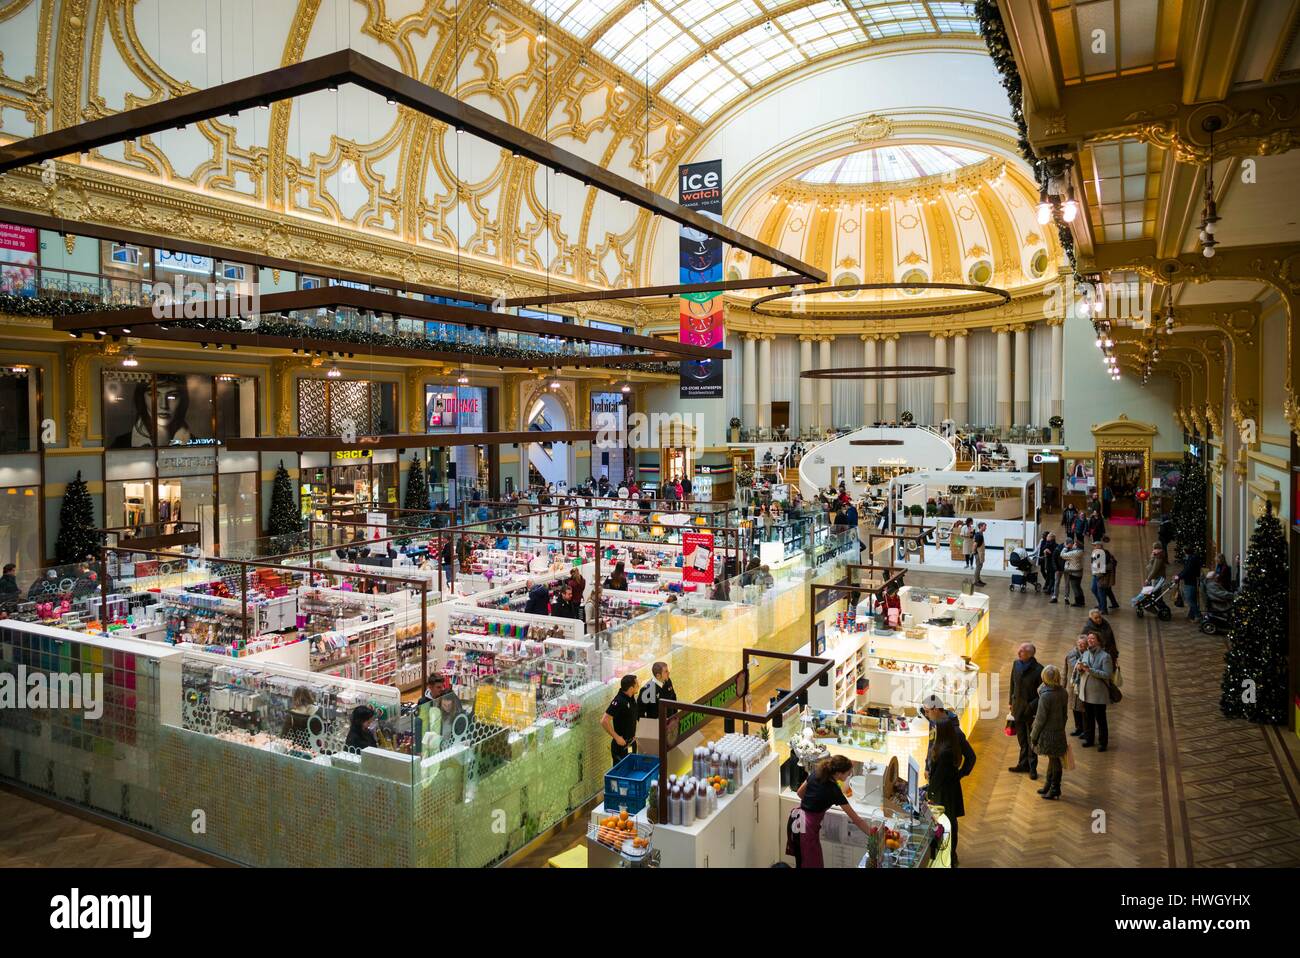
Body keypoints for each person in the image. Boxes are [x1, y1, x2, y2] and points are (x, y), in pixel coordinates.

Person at [922, 696, 976, 866]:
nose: (925, 714)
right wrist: (927, 766)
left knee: (949, 821)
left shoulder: (954, 732)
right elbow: (931, 747)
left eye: (927, 711)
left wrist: (959, 775)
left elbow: (971, 757)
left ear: (937, 709)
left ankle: (950, 857)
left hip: (945, 788)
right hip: (939, 782)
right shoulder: (936, 724)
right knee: (943, 822)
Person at [792, 754, 872, 868]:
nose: (850, 774)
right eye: (848, 772)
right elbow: (856, 820)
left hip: (798, 820)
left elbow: (800, 793)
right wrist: (873, 835)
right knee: (812, 864)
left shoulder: (817, 773)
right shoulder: (834, 791)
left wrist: (812, 802)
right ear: (839, 773)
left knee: (803, 860)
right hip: (808, 828)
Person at [1030, 665, 1069, 800]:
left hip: (1048, 734)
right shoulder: (1063, 692)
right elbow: (1065, 715)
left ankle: (1054, 788)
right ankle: (1049, 784)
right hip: (1059, 732)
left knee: (1055, 760)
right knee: (1053, 759)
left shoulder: (1046, 696)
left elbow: (1040, 720)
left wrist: (1033, 736)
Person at [1008, 642, 1044, 780]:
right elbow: (1013, 684)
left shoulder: (1039, 669)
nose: (1018, 653)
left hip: (1030, 711)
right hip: (1017, 708)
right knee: (1022, 739)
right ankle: (1023, 764)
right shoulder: (1016, 664)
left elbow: (1041, 693)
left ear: (1029, 654)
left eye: (1022, 651)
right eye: (1019, 650)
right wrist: (1011, 701)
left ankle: (1032, 767)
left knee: (1031, 740)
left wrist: (1030, 707)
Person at [1073, 631, 1114, 751]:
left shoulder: (1105, 656)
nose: (1089, 640)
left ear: (1099, 641)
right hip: (1086, 692)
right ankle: (1089, 739)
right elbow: (1083, 670)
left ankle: (1103, 743)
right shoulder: (1085, 653)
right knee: (1088, 718)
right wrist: (1081, 669)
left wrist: (1089, 670)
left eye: (1092, 638)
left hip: (1098, 694)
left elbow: (1107, 674)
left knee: (1100, 719)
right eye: (1089, 638)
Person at [602, 674, 640, 765]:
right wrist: (617, 737)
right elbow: (604, 721)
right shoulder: (619, 701)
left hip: (631, 743)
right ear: (631, 688)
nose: (639, 686)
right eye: (637, 684)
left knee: (632, 769)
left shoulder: (631, 698)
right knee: (622, 774)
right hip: (621, 746)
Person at [281, 686, 319, 751]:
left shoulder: (291, 716)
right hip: (313, 748)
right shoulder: (317, 713)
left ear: (295, 698)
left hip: (297, 747)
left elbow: (283, 735)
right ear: (309, 696)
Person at [1064, 635, 1088, 737]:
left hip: (1084, 686)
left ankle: (1085, 730)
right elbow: (1064, 671)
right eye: (1079, 644)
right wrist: (1062, 686)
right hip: (1073, 686)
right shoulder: (1070, 655)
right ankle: (1078, 728)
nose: (1081, 645)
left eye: (1083, 644)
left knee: (1083, 709)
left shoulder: (1088, 656)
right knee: (1074, 708)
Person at [1175, 547, 1203, 621]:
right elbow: (1185, 570)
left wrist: (1179, 576)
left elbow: (1187, 570)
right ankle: (1191, 615)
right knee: (1192, 599)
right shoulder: (1192, 559)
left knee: (1190, 599)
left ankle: (1197, 615)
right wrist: (1179, 575)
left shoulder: (1191, 560)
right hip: (1191, 581)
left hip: (1190, 581)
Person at [1060, 537, 1085, 606]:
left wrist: (1065, 547)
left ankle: (1078, 602)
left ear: (1076, 546)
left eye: (1074, 544)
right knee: (1078, 587)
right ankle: (1082, 601)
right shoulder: (1081, 552)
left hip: (1074, 573)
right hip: (1079, 572)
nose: (1073, 545)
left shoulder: (1074, 553)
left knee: (1075, 588)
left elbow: (1062, 555)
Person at [1038, 532, 1061, 600]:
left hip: (1051, 563)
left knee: (1051, 576)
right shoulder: (1055, 544)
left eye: (1048, 536)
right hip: (1052, 563)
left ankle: (1050, 589)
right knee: (1050, 576)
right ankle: (1050, 588)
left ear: (1051, 538)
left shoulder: (1049, 544)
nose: (1047, 537)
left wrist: (1047, 551)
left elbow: (1044, 550)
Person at [1089, 539, 1109, 613]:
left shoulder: (1103, 553)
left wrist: (1100, 574)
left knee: (1101, 592)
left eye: (1095, 545)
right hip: (1096, 574)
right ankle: (1100, 604)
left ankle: (1104, 609)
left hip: (1100, 575)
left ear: (1099, 546)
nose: (1094, 547)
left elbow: (1104, 565)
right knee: (1094, 589)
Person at [972, 522, 987, 586]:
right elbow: (975, 544)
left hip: (980, 553)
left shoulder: (980, 534)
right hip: (978, 554)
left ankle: (978, 580)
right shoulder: (978, 535)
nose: (986, 528)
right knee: (978, 568)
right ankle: (976, 581)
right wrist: (974, 552)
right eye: (984, 526)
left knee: (980, 567)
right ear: (980, 527)